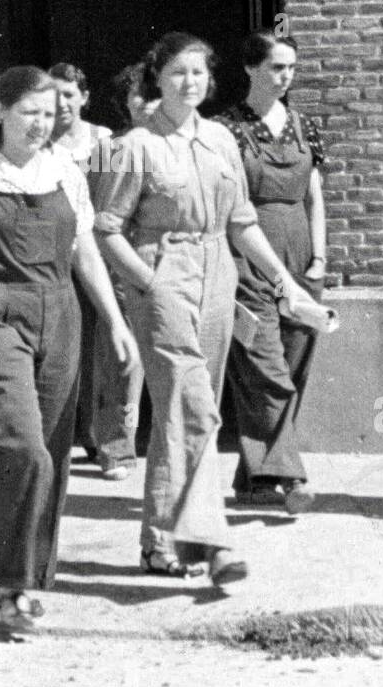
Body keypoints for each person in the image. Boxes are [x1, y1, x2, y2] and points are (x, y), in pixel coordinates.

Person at [92, 32, 329, 586]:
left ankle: (159, 542)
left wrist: (283, 283)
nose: (189, 83)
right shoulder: (136, 146)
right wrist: (149, 284)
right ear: (158, 78)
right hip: (162, 281)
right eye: (177, 73)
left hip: (219, 277)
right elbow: (107, 230)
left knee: (187, 412)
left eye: (198, 73)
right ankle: (210, 541)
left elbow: (242, 222)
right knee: (193, 408)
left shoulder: (223, 140)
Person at [0, 66, 139, 633]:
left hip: (61, 315)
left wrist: (116, 323)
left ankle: (23, 576)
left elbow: (85, 252)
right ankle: (7, 584)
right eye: (29, 113)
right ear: (0, 112)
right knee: (18, 446)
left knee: (50, 449)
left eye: (49, 114)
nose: (41, 124)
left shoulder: (67, 171)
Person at [217, 30, 328, 514]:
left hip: (301, 254)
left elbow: (315, 195)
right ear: (250, 69)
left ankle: (254, 477)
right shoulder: (226, 129)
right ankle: (292, 477)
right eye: (276, 67)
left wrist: (319, 257)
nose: (285, 77)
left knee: (294, 367)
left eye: (290, 68)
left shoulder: (305, 125)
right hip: (248, 253)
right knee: (264, 368)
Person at [84, 63, 161, 480]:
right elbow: (96, 212)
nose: (148, 103)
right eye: (139, 95)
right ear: (124, 103)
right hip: (124, 262)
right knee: (123, 360)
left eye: (154, 94)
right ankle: (117, 447)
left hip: (171, 264)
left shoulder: (178, 145)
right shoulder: (108, 149)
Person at [48, 62, 114, 467]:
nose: (62, 104)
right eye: (54, 95)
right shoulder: (39, 140)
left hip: (92, 252)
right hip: (53, 255)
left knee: (98, 346)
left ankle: (96, 434)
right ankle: (58, 430)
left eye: (69, 94)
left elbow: (106, 200)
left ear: (84, 97)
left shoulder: (103, 141)